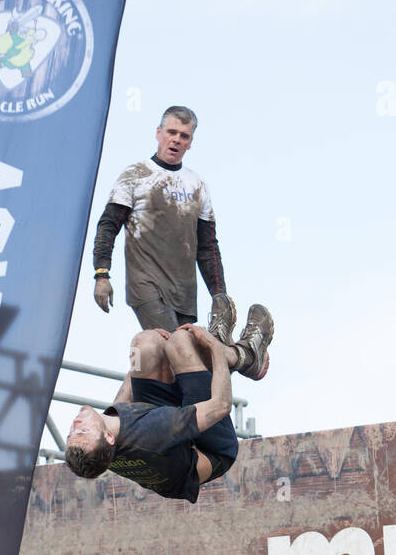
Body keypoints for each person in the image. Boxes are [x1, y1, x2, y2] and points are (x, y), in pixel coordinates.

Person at [64, 305, 273, 504]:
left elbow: (122, 405)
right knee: (180, 342)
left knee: (143, 343)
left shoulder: (104, 442)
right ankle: (244, 356)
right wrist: (213, 347)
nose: (75, 423)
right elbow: (221, 405)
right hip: (209, 448)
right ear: (109, 438)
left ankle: (206, 354)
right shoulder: (155, 430)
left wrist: (142, 356)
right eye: (82, 430)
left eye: (71, 433)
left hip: (169, 435)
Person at [92, 105, 232, 335]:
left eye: (184, 136)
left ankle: (138, 373)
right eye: (171, 132)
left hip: (184, 292)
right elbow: (108, 226)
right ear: (159, 132)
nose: (176, 140)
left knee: (175, 362)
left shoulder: (197, 185)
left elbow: (208, 247)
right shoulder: (135, 175)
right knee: (180, 348)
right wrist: (101, 274)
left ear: (190, 142)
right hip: (146, 286)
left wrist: (219, 293)